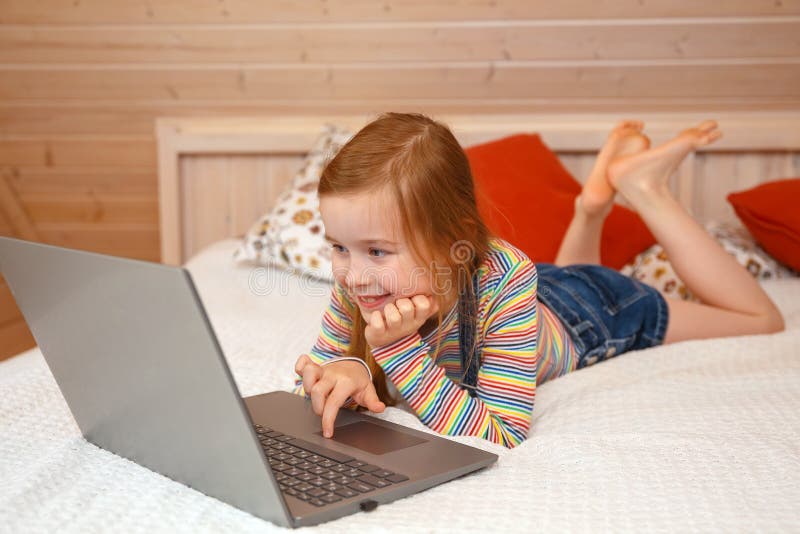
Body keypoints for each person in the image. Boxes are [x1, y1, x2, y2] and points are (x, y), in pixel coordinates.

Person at [293, 113, 784, 448]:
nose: (352, 275)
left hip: (590, 312)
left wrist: (398, 352)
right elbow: (317, 382)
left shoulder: (507, 278)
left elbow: (503, 433)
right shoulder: (363, 278)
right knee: (562, 275)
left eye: (377, 251)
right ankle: (591, 207)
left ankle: (645, 188)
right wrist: (348, 373)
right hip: (541, 293)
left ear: (452, 241)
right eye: (338, 246)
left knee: (760, 319)